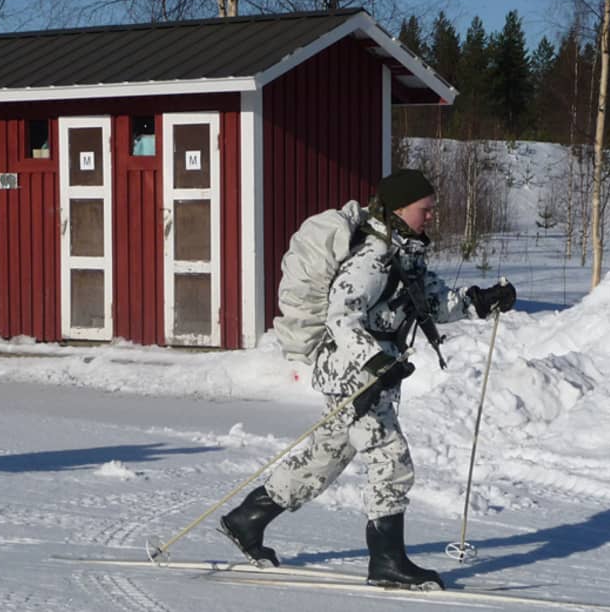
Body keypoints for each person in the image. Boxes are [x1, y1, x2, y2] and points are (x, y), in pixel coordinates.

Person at [220, 169, 516, 590]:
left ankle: (245, 521)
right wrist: (375, 362)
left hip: (368, 372)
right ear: (399, 208)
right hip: (355, 375)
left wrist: (480, 301)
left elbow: (430, 301)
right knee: (390, 460)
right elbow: (342, 317)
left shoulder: (403, 253)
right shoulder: (371, 259)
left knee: (325, 458)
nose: (431, 216)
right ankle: (387, 562)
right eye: (425, 209)